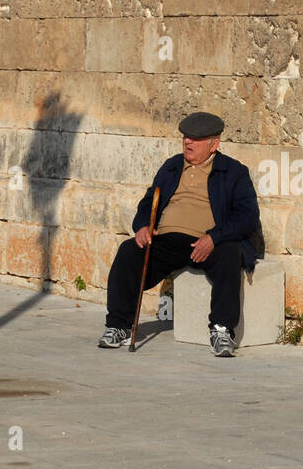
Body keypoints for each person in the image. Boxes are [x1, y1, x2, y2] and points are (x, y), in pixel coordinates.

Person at [98, 112, 260, 356]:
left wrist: (214, 237)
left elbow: (247, 217)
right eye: (186, 137)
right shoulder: (172, 166)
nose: (188, 142)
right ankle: (119, 325)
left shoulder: (233, 172)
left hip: (208, 242)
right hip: (166, 240)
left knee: (230, 253)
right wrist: (142, 226)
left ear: (213, 144)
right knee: (129, 251)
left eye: (196, 139)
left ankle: (221, 330)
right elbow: (148, 201)